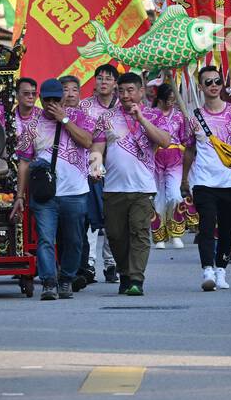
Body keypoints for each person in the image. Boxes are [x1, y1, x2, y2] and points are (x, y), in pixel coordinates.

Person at [12, 78, 97, 300]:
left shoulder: (80, 117)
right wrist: (20, 196)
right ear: (40, 99)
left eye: (55, 99)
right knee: (45, 239)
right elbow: (23, 162)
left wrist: (65, 119)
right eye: (47, 99)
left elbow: (88, 141)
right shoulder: (32, 126)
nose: (51, 103)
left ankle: (67, 279)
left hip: (75, 193)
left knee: (74, 240)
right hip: (44, 195)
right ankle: (49, 282)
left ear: (62, 98)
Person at [89, 72, 171, 295]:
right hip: (113, 187)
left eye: (130, 90)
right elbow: (97, 147)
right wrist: (95, 166)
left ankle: (136, 279)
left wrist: (141, 119)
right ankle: (125, 273)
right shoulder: (106, 118)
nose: (125, 95)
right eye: (121, 91)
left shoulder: (153, 116)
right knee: (115, 236)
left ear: (141, 91)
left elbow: (165, 141)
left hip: (143, 188)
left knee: (139, 233)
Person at [182, 65, 231, 291]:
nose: (213, 86)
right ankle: (207, 270)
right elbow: (190, 150)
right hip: (203, 181)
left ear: (222, 85)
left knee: (227, 229)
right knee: (206, 226)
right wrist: (185, 179)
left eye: (217, 81)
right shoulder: (194, 116)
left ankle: (221, 269)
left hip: (230, 181)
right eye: (208, 82)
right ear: (201, 87)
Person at [79, 64, 121, 285]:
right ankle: (90, 263)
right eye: (99, 78)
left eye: (108, 78)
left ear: (115, 83)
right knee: (91, 218)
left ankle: (111, 263)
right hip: (90, 169)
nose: (103, 82)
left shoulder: (124, 107)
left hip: (118, 169)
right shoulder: (83, 106)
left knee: (113, 219)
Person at [151, 83, 191, 250]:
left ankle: (175, 232)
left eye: (174, 99)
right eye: (169, 99)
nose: (172, 102)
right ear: (160, 99)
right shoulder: (150, 115)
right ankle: (159, 235)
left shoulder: (180, 116)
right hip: (155, 157)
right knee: (158, 198)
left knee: (175, 195)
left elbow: (185, 139)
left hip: (175, 158)